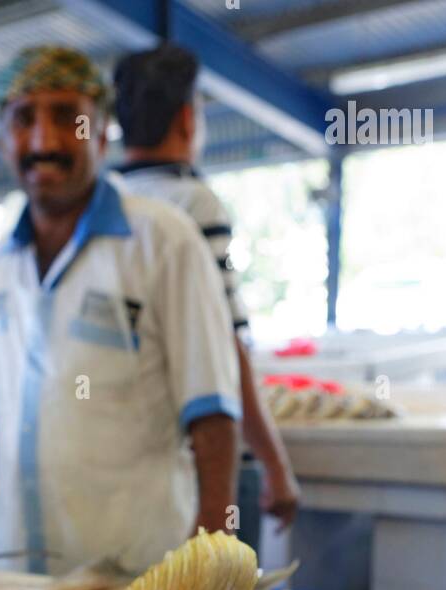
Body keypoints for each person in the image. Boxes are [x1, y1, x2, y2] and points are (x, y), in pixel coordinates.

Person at [0, 45, 242, 575]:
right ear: (1, 138)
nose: (44, 141)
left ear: (102, 132)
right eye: (23, 120)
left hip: (131, 580)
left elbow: (214, 417)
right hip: (8, 577)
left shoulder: (163, 240)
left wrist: (207, 576)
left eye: (68, 118)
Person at [114, 42, 301, 547]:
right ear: (186, 120)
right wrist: (275, 465)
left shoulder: (106, 204)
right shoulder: (193, 203)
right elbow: (224, 347)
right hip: (194, 459)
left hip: (123, 461)